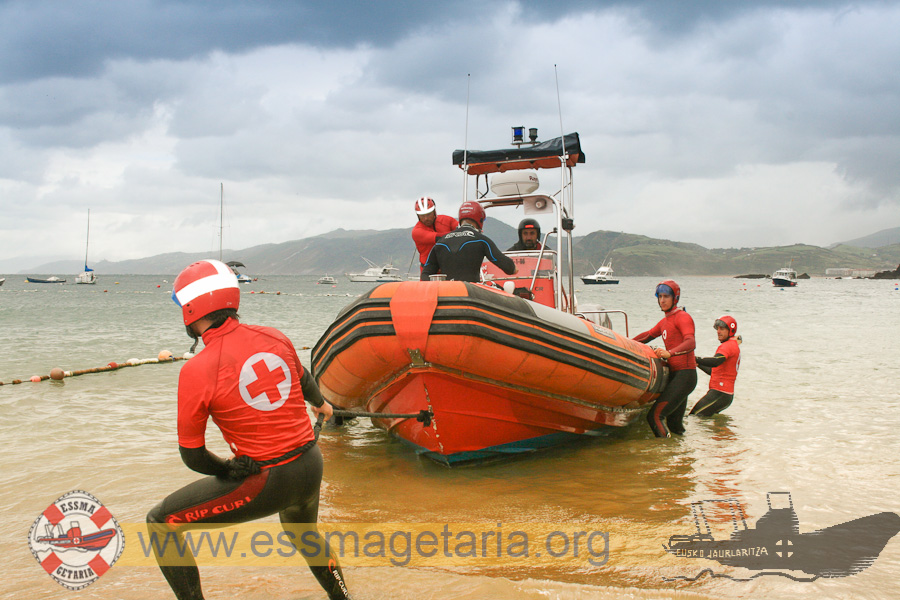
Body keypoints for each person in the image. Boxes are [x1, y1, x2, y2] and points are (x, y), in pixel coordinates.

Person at [147, 259, 352, 600]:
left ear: (191, 309)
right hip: (310, 463)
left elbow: (193, 455)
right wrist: (321, 403)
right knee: (305, 535)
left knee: (160, 522)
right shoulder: (273, 336)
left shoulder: (197, 370)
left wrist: (229, 468)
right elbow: (302, 377)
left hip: (268, 480)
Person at [632, 280, 697, 437]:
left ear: (675, 298)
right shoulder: (664, 321)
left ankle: (662, 456)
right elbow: (647, 336)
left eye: (666, 296)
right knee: (674, 425)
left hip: (686, 375)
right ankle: (682, 455)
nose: (662, 300)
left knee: (655, 416)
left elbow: (691, 342)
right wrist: (625, 342)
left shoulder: (682, 317)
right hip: (677, 376)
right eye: (660, 296)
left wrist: (671, 353)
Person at [420, 201, 517, 283]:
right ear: (480, 219)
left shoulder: (441, 242)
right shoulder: (481, 240)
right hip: (471, 296)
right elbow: (507, 267)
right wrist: (514, 269)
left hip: (447, 297)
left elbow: (425, 274)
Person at [690, 316, 741, 416]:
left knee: (694, 416)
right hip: (725, 396)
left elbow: (715, 361)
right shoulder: (733, 345)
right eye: (717, 329)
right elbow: (713, 371)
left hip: (720, 393)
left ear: (731, 331)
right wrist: (698, 364)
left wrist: (695, 358)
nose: (718, 331)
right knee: (706, 420)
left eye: (722, 329)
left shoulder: (727, 346)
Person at [411, 196, 458, 272]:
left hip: (449, 268)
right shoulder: (417, 232)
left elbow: (463, 227)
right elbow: (440, 238)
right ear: (418, 216)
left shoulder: (447, 220)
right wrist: (459, 233)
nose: (426, 218)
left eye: (428, 214)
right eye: (422, 216)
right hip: (429, 270)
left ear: (434, 212)